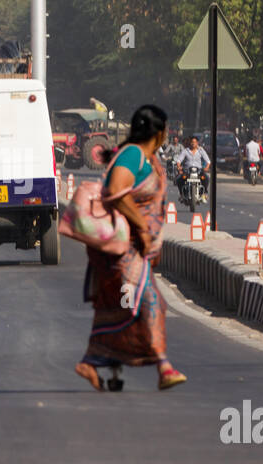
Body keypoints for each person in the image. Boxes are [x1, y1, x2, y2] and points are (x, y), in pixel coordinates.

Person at [76, 105, 187, 392]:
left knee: (121, 306)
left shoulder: (147, 158)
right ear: (160, 132)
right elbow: (115, 191)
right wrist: (141, 227)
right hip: (123, 251)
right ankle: (163, 367)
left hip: (134, 250)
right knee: (149, 303)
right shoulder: (134, 155)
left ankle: (95, 363)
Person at [175, 134, 211, 202]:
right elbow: (179, 160)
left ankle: (204, 193)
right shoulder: (185, 151)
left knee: (206, 178)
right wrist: (179, 167)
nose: (193, 144)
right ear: (190, 143)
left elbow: (208, 161)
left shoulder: (201, 150)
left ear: (197, 143)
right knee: (179, 179)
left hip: (199, 171)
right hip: (187, 171)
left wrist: (206, 167)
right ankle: (182, 194)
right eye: (192, 142)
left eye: (194, 142)